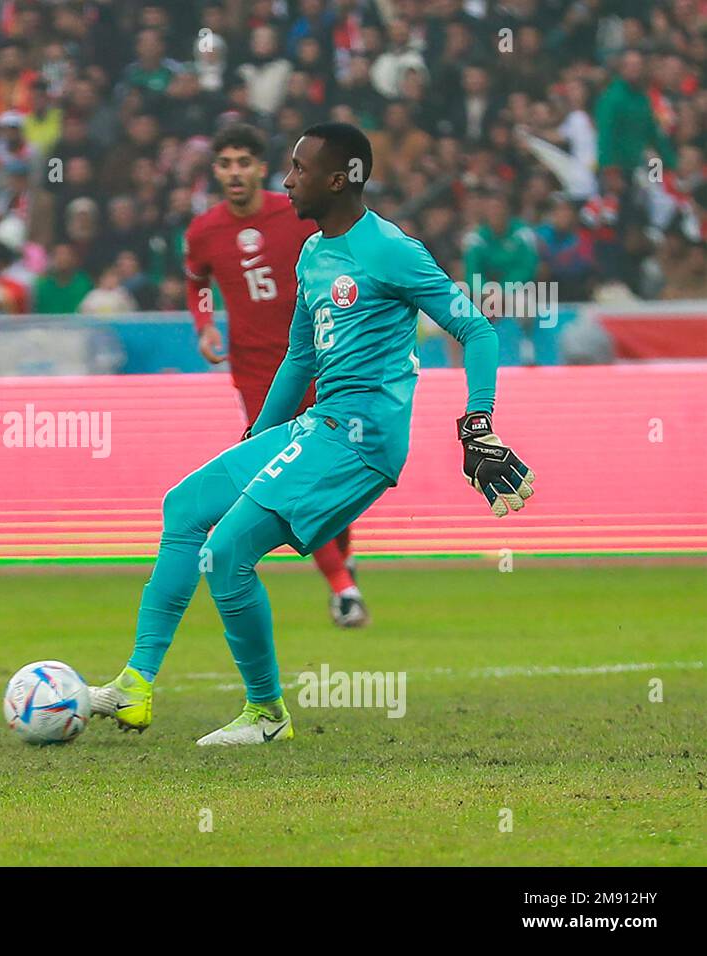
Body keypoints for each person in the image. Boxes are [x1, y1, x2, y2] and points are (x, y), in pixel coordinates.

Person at [90, 123, 535, 745]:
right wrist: (257, 437)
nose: (285, 179)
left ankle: (267, 714)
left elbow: (477, 331)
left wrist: (478, 423)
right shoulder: (312, 252)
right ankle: (137, 682)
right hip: (314, 423)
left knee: (225, 556)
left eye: (298, 168)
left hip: (362, 443)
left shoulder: (391, 250)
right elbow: (300, 357)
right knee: (184, 507)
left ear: (337, 179)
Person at [185, 123, 367, 627]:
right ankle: (343, 588)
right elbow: (196, 280)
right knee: (291, 478)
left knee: (335, 473)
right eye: (225, 163)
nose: (235, 172)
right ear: (216, 171)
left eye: (244, 162)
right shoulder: (203, 231)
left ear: (260, 168)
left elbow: (340, 258)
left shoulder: (295, 213)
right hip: (256, 375)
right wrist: (204, 325)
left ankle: (341, 560)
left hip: (319, 361)